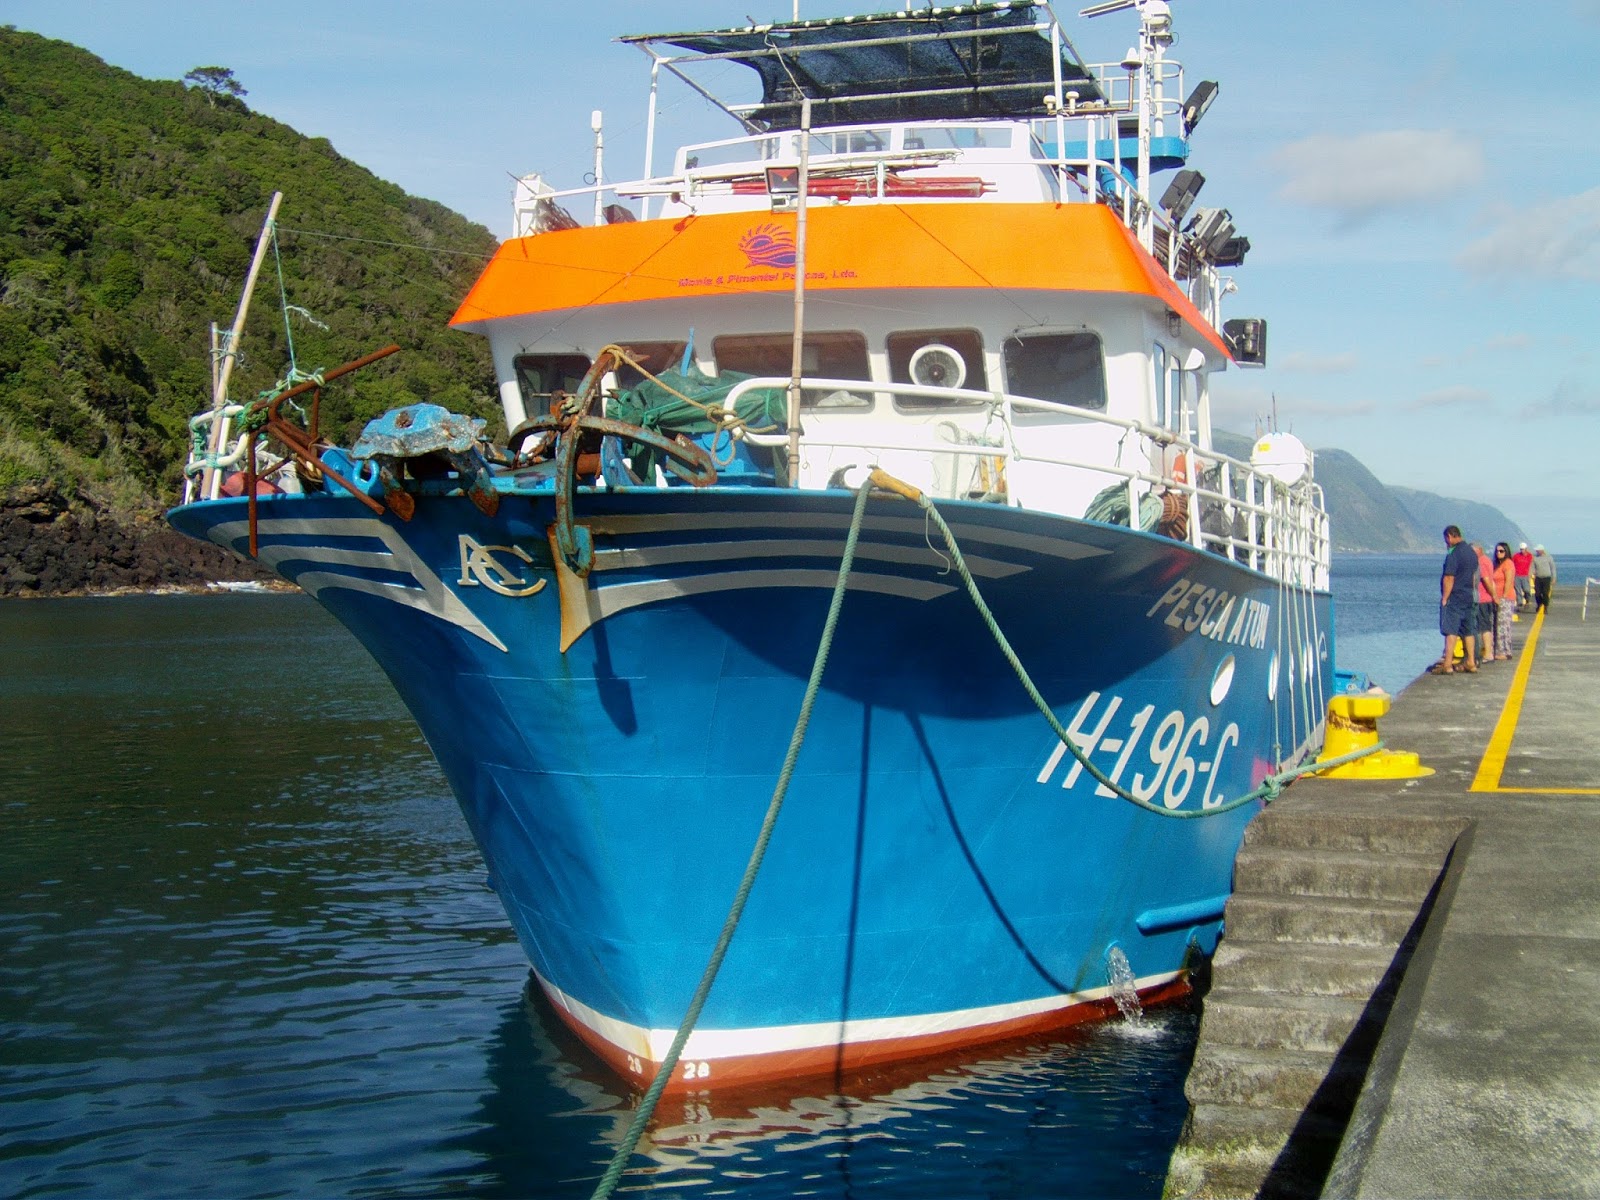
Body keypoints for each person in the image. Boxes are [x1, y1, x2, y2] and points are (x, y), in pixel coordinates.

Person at [1432, 525, 1479, 674]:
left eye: (1446, 539)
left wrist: (1445, 598)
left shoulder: (1454, 554)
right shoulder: (1471, 553)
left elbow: (1449, 577)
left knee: (1450, 631)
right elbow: (1474, 576)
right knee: (1469, 630)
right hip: (1468, 595)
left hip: (1455, 597)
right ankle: (1471, 661)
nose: (1446, 542)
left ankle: (1447, 664)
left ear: (1450, 536)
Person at [1473, 542, 1497, 663]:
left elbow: (1486, 580)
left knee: (1483, 627)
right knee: (1485, 626)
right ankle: (1487, 652)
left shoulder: (1481, 562)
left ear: (1479, 550)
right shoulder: (1487, 560)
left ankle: (1487, 653)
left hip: (1482, 598)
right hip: (1485, 598)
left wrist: (1494, 595)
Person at [1492, 542, 1516, 660]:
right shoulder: (1497, 565)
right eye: (1497, 551)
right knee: (1497, 625)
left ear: (1506, 552)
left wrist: (1504, 597)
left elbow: (1509, 582)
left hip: (1505, 598)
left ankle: (1505, 651)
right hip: (1496, 598)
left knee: (1503, 625)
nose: (1498, 553)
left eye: (1501, 551)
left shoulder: (1508, 564)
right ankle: (1498, 649)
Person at [1532, 545, 1557, 611]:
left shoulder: (1549, 558)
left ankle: (1545, 606)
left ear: (1542, 550)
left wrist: (1554, 578)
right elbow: (1532, 568)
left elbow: (1553, 568)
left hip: (1546, 577)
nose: (1536, 551)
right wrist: (1532, 575)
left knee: (1545, 593)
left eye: (1538, 550)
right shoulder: (1535, 558)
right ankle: (1539, 604)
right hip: (1538, 577)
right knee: (1537, 593)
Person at [1512, 542, 1534, 610]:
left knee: (1526, 590)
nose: (1522, 551)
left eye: (1523, 549)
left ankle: (1527, 599)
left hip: (1525, 575)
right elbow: (1511, 564)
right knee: (1518, 590)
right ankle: (1520, 603)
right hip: (1516, 575)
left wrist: (1531, 573)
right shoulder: (1516, 556)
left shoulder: (1530, 556)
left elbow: (1532, 565)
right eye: (1521, 549)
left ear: (1526, 549)